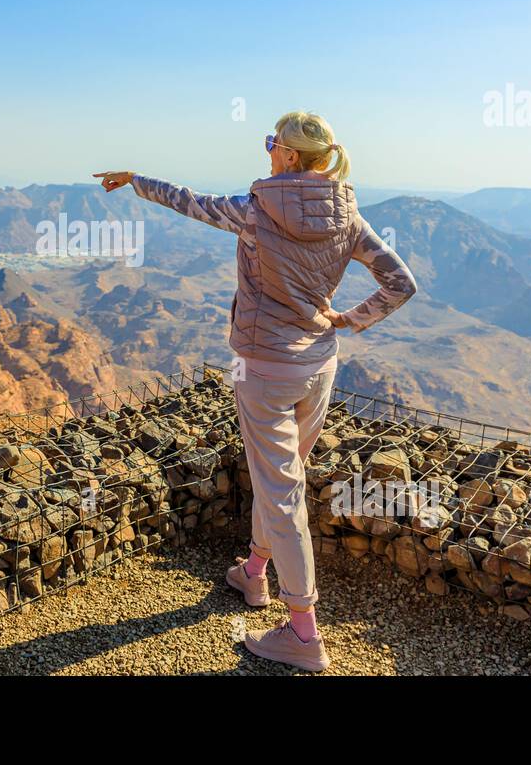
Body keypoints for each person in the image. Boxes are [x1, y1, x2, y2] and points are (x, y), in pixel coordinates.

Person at [94, 110, 417, 672]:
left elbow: (188, 201)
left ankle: (303, 632)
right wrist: (348, 321)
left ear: (289, 156)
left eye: (272, 143)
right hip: (319, 365)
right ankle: (253, 574)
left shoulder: (254, 210)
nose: (266, 150)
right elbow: (401, 283)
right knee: (284, 475)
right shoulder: (349, 216)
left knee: (282, 492)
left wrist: (136, 180)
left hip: (264, 367)